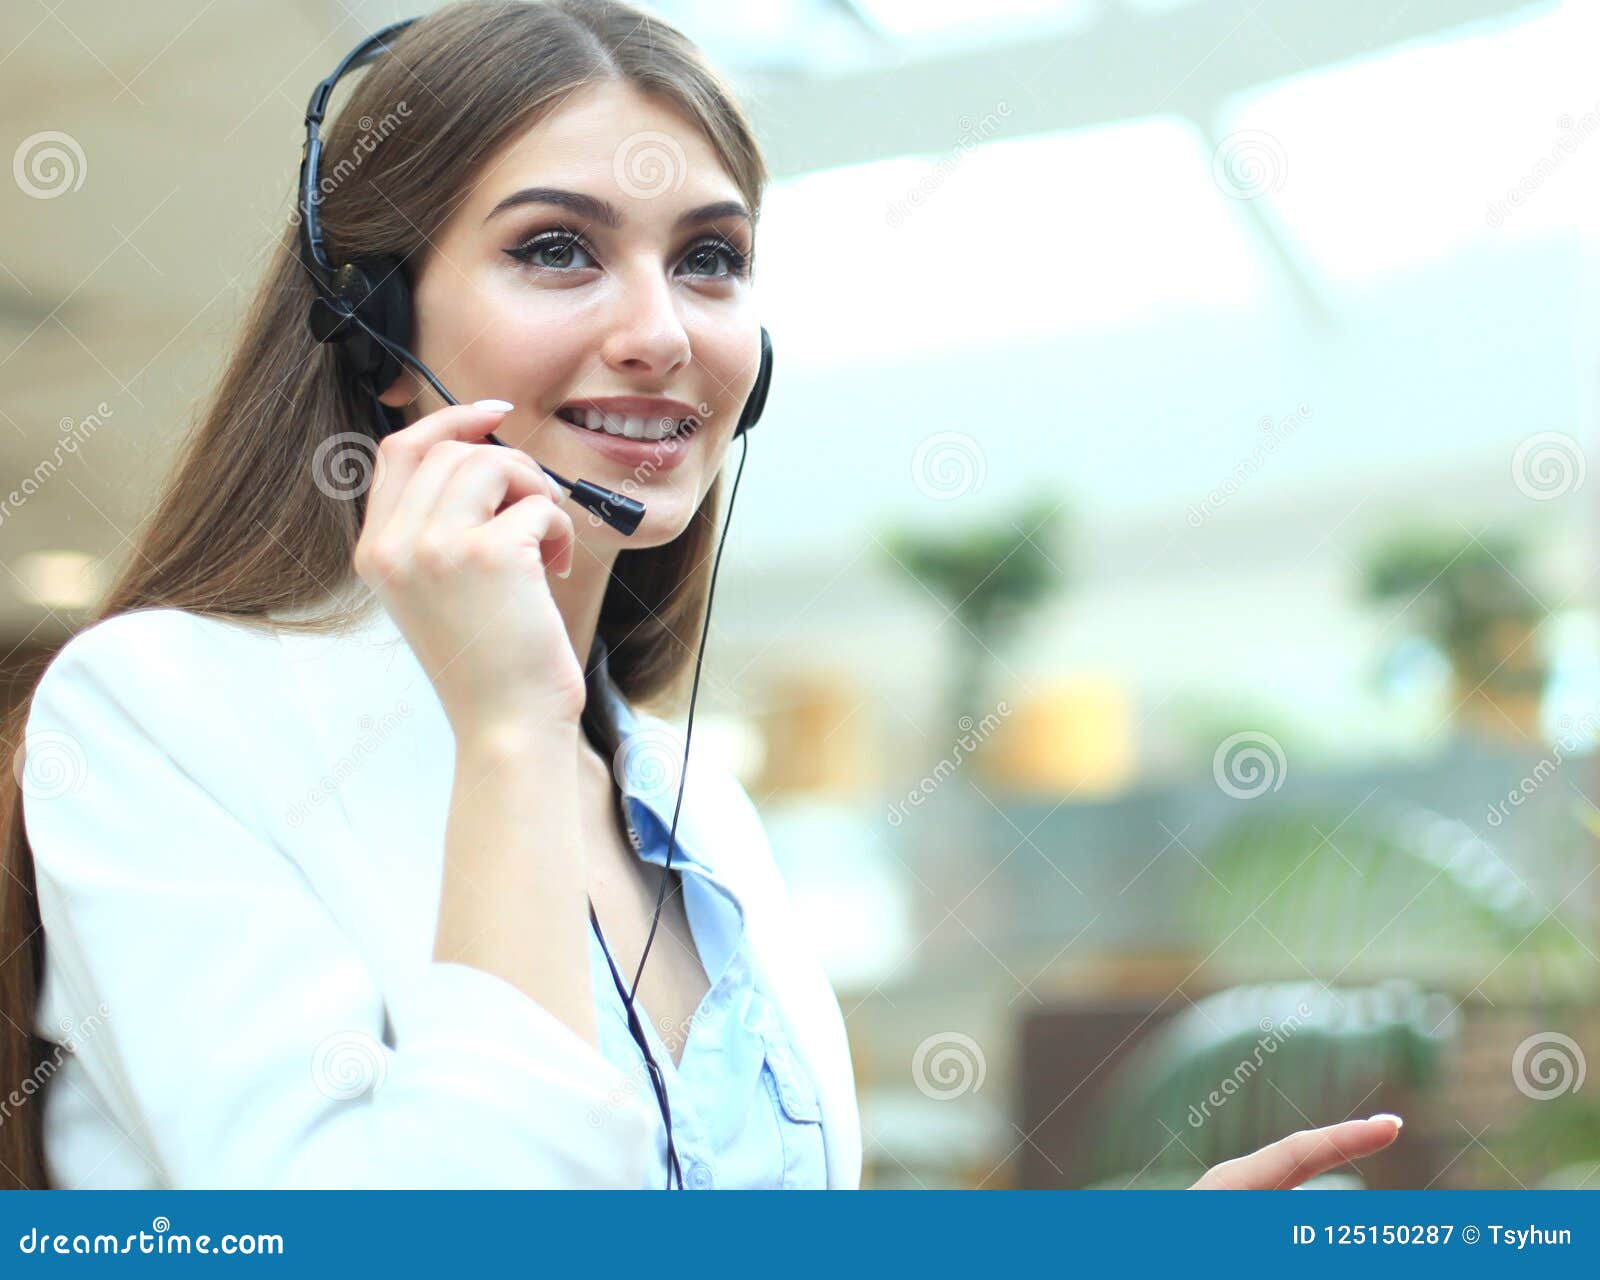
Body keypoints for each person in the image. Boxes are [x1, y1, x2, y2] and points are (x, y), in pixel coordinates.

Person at [0, 0, 1402, 1191]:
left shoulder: (694, 802)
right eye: (558, 248)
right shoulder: (161, 713)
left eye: (709, 259)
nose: (661, 331)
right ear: (376, 331)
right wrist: (508, 729)